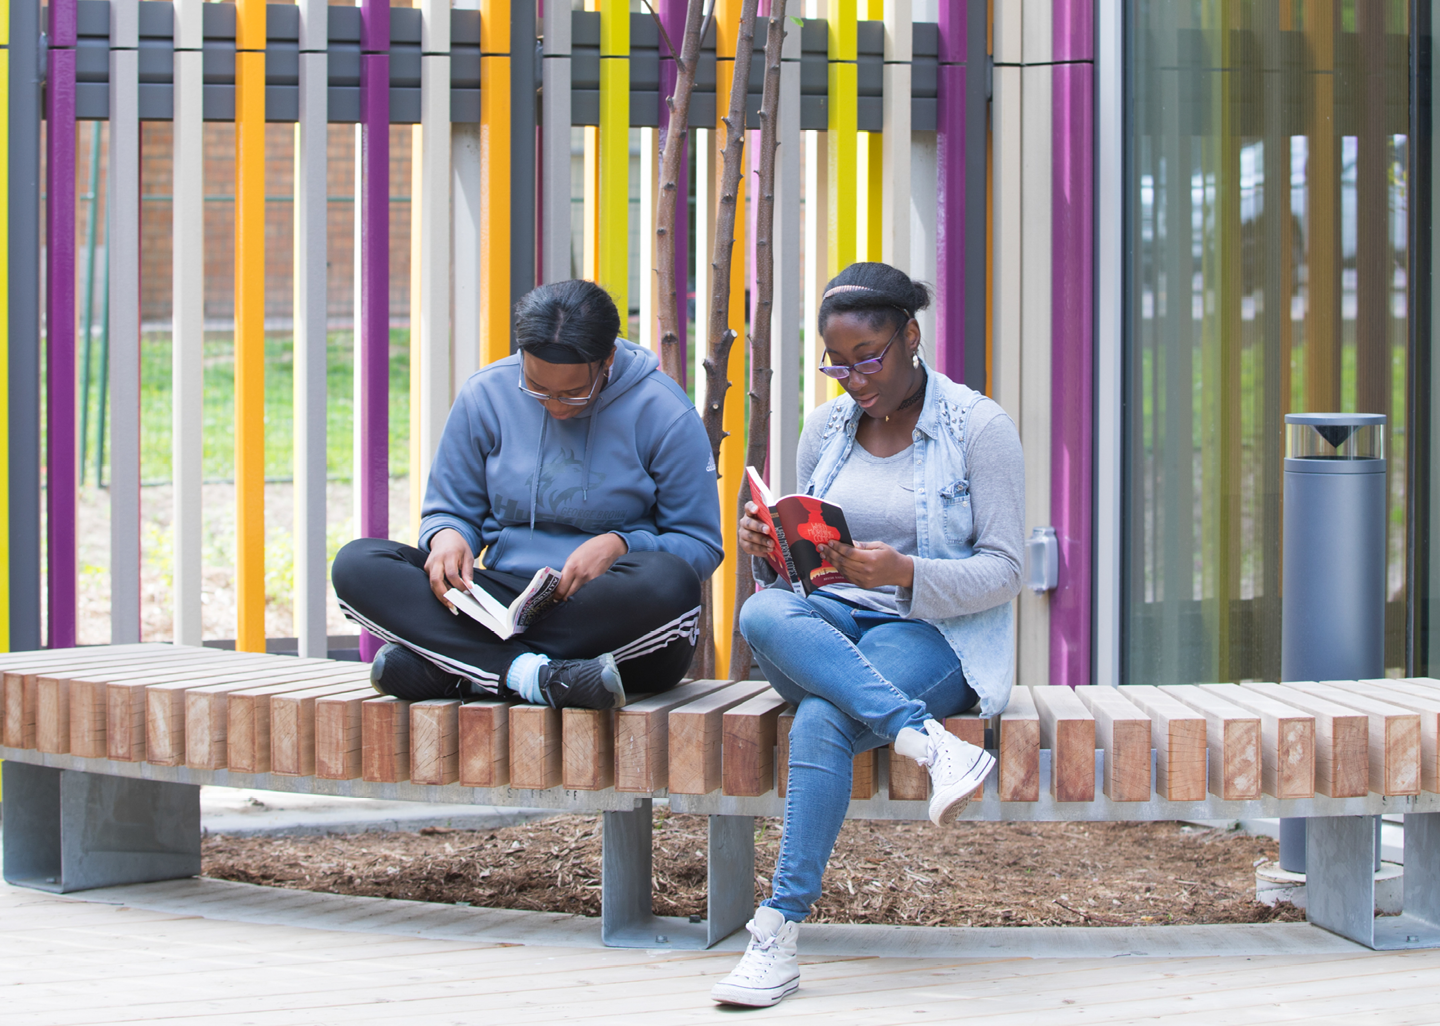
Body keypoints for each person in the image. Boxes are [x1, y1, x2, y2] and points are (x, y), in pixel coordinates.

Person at [709, 263, 1024, 1008]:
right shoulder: (826, 428)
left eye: (869, 358)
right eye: (838, 364)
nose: (853, 378)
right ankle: (926, 741)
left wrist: (905, 571)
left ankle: (778, 931)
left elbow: (1006, 569)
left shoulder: (978, 428)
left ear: (911, 336)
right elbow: (795, 570)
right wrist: (768, 547)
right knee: (758, 613)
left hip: (929, 634)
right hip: (829, 619)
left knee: (821, 718)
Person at [332, 279, 723, 710]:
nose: (554, 406)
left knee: (670, 582)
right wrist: (448, 536)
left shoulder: (664, 411)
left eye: (574, 392)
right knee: (357, 563)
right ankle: (537, 677)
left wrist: (622, 546)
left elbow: (700, 543)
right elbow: (449, 510)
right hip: (501, 602)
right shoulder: (486, 394)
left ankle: (456, 666)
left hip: (609, 612)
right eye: (537, 388)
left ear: (608, 359)